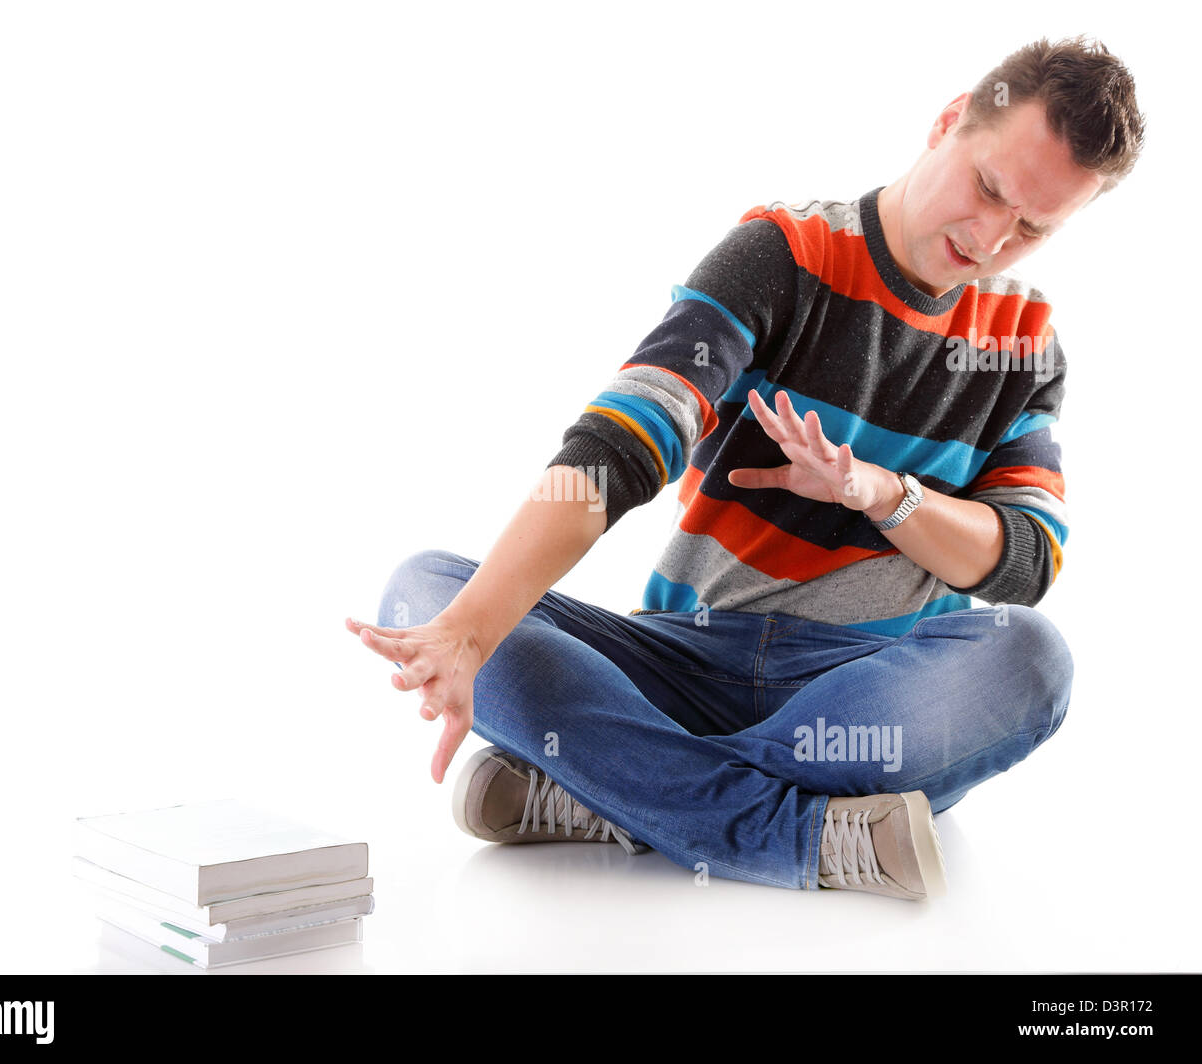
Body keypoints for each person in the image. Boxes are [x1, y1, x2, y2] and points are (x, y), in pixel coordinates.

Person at [347, 35, 1144, 901]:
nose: (991, 237)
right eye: (989, 188)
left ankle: (614, 793)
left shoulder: (1024, 348)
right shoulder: (784, 253)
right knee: (425, 590)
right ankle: (796, 832)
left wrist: (882, 495)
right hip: (682, 661)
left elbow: (1025, 560)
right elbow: (619, 446)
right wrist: (465, 633)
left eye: (1032, 228)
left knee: (1032, 660)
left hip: (862, 692)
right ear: (949, 121)